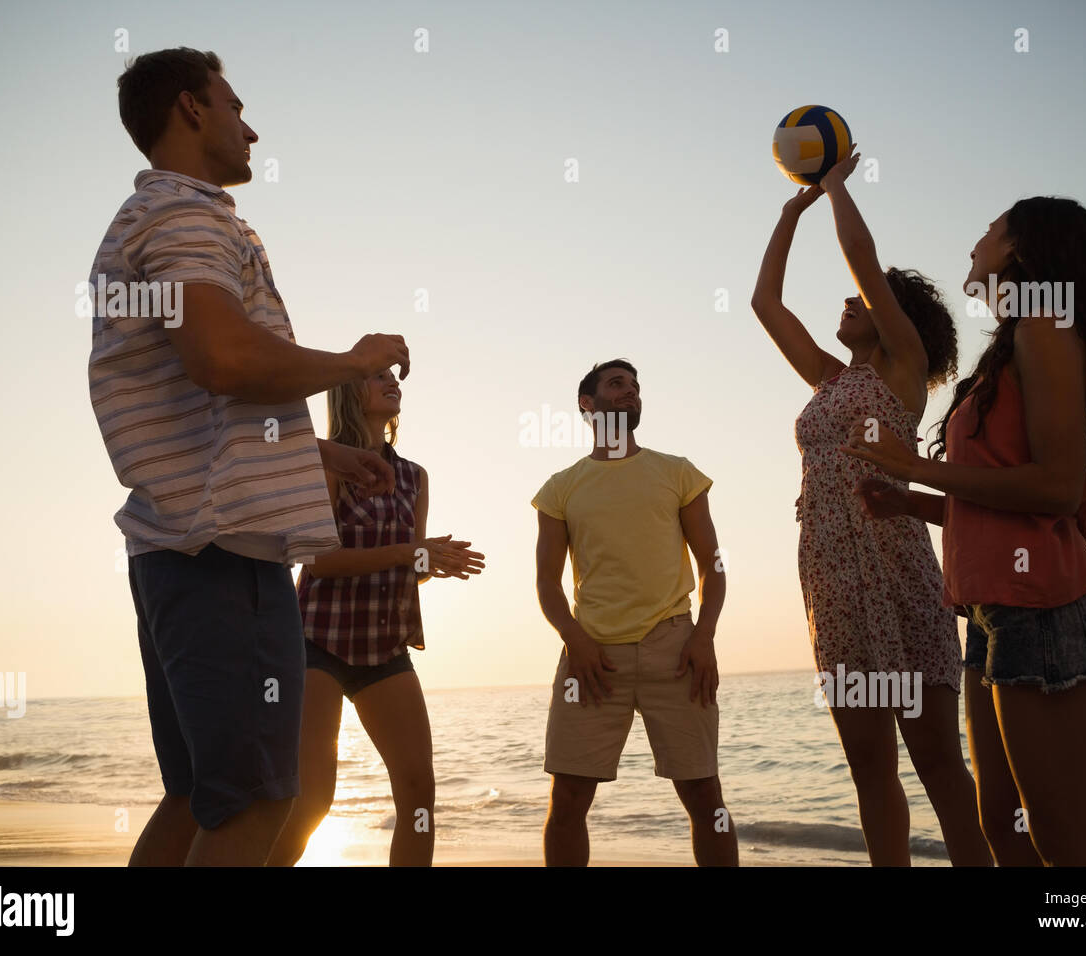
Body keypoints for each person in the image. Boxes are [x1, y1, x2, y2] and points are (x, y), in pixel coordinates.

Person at [88, 47, 408, 866]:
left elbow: (199, 392)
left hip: (176, 547)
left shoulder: (153, 217)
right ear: (193, 110)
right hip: (224, 553)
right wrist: (351, 361)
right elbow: (222, 359)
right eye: (235, 105)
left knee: (201, 796)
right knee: (260, 802)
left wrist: (318, 453)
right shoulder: (189, 214)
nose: (251, 127)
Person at [844, 196, 1086, 866]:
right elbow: (1002, 503)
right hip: (992, 613)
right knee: (1003, 827)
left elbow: (1051, 486)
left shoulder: (1044, 325)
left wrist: (917, 469)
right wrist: (910, 505)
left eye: (991, 229)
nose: (977, 237)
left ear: (1020, 248)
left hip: (1044, 607)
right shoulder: (1013, 343)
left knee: (1065, 840)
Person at [751, 149, 991, 865]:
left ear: (895, 321)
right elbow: (766, 304)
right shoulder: (828, 379)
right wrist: (791, 214)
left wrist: (835, 188)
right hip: (829, 576)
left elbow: (861, 254)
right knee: (869, 770)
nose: (851, 301)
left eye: (867, 299)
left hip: (894, 567)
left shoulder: (902, 370)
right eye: (856, 297)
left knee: (939, 765)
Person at [268, 368, 484, 866]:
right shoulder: (326, 464)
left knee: (418, 796)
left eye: (395, 378)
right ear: (347, 390)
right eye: (377, 378)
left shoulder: (415, 476)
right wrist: (410, 552)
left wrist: (433, 562)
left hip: (386, 646)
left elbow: (412, 564)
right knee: (313, 799)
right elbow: (319, 560)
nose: (393, 383)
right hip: (316, 642)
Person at [533, 360, 737, 866]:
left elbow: (713, 565)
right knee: (568, 800)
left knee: (704, 796)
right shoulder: (561, 488)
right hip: (591, 656)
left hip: (676, 650)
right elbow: (546, 583)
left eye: (635, 386)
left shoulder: (678, 472)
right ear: (587, 403)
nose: (630, 392)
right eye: (616, 383)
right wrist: (575, 641)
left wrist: (704, 636)